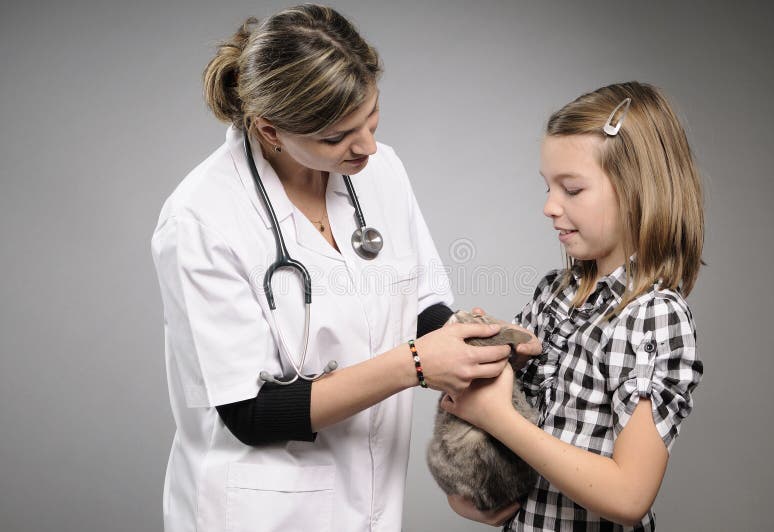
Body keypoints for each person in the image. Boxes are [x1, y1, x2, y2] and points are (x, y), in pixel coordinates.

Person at [150, 5, 539, 532]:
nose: (368, 146)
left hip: (373, 498)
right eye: (337, 137)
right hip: (261, 511)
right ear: (270, 130)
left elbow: (420, 304)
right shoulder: (201, 218)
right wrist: (417, 365)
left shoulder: (381, 171)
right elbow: (251, 414)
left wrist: (470, 339)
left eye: (372, 115)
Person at [441, 81, 704, 530]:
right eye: (547, 187)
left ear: (639, 190)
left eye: (572, 189)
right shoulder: (553, 294)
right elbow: (494, 424)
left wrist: (500, 419)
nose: (548, 206)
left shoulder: (653, 317)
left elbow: (627, 496)